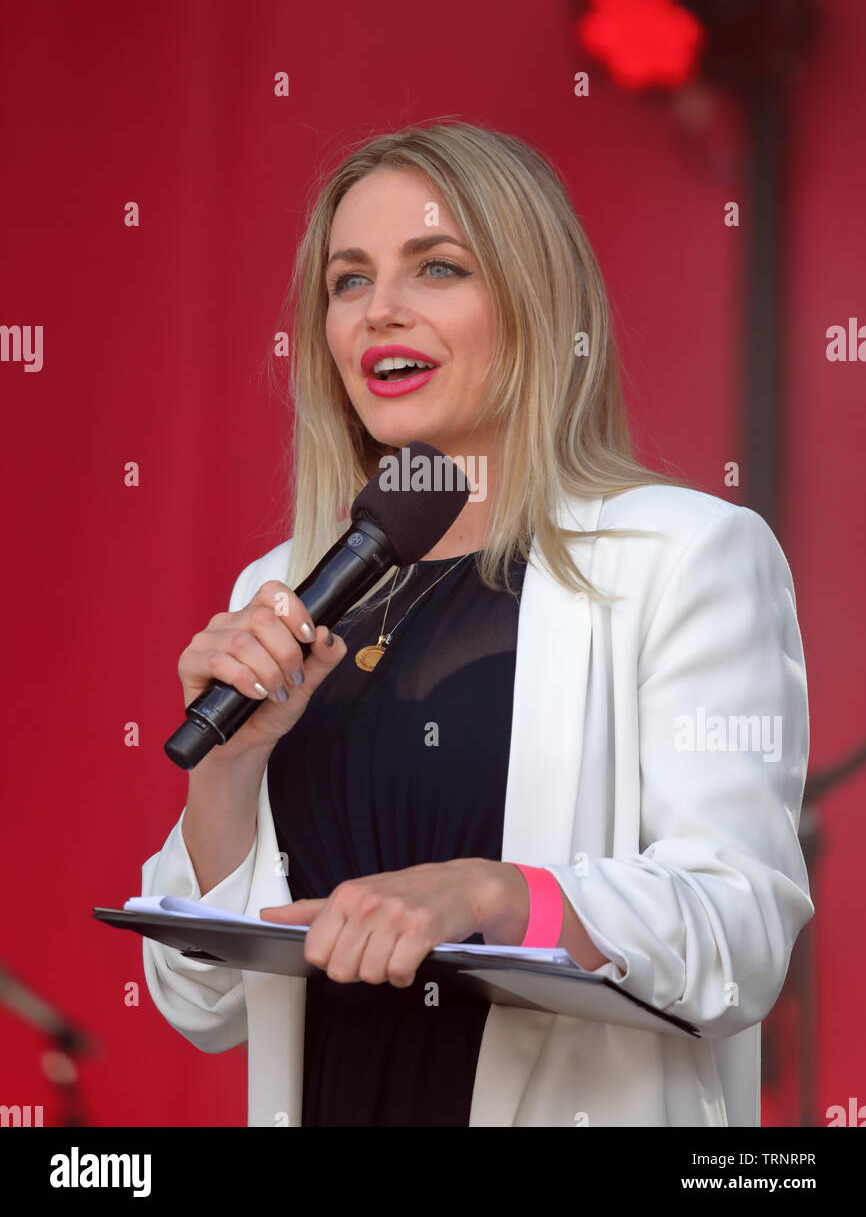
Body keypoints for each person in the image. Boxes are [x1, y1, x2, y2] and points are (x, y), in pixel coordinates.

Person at [141, 120, 814, 1127]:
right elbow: (201, 1001)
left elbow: (741, 933)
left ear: (536, 307)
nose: (381, 313)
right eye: (348, 281)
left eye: (437, 268)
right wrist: (228, 769)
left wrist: (495, 895)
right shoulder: (286, 585)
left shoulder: (683, 555)